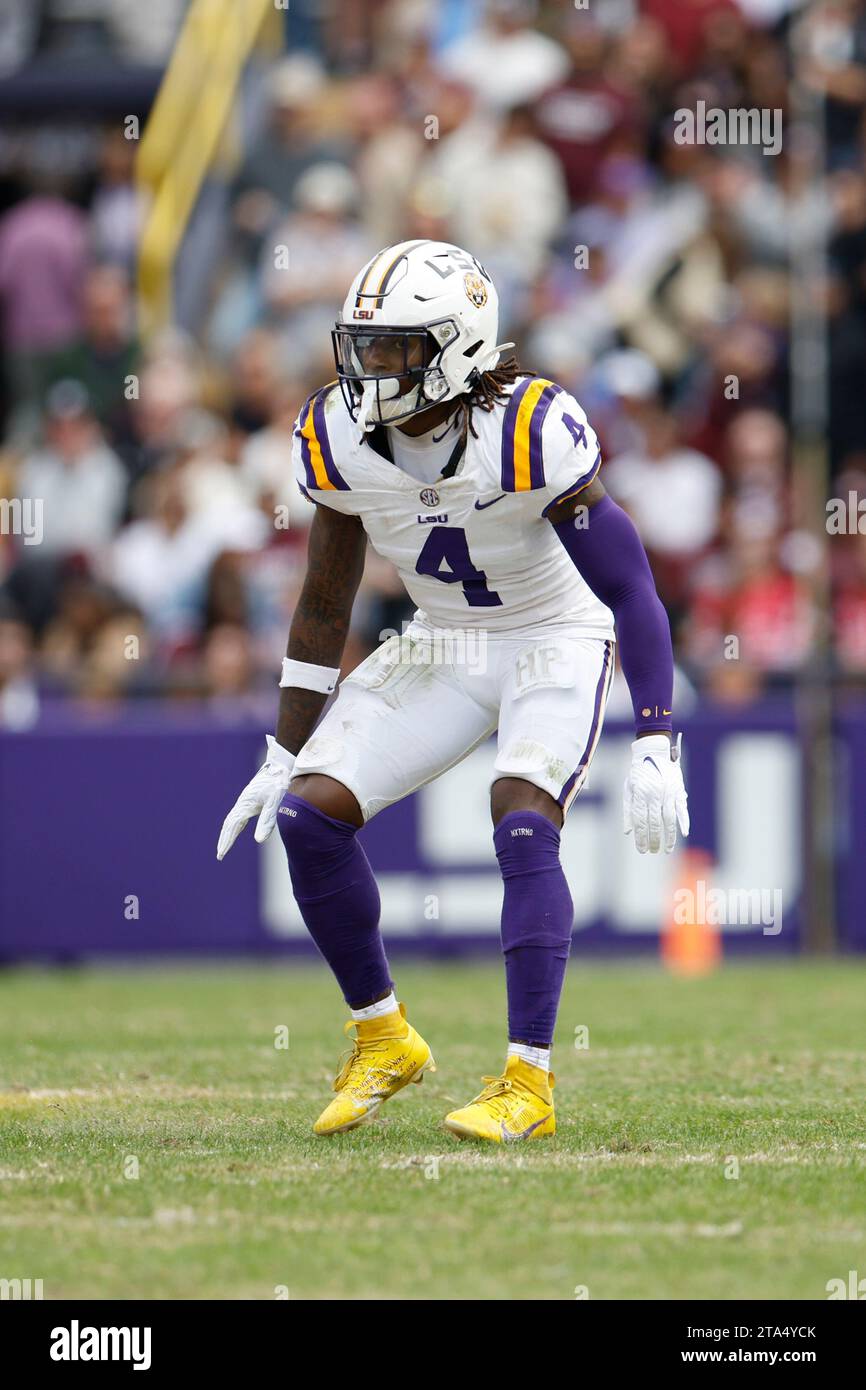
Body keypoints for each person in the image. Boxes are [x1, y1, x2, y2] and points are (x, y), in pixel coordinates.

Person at [217, 240, 689, 1143]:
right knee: (310, 817)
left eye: (393, 348)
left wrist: (658, 737)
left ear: (457, 345)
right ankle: (382, 1037)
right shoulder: (338, 438)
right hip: (445, 638)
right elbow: (324, 598)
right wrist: (284, 749)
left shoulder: (528, 428)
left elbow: (630, 588)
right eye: (361, 346)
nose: (369, 369)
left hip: (554, 633)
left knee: (521, 818)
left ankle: (528, 1083)